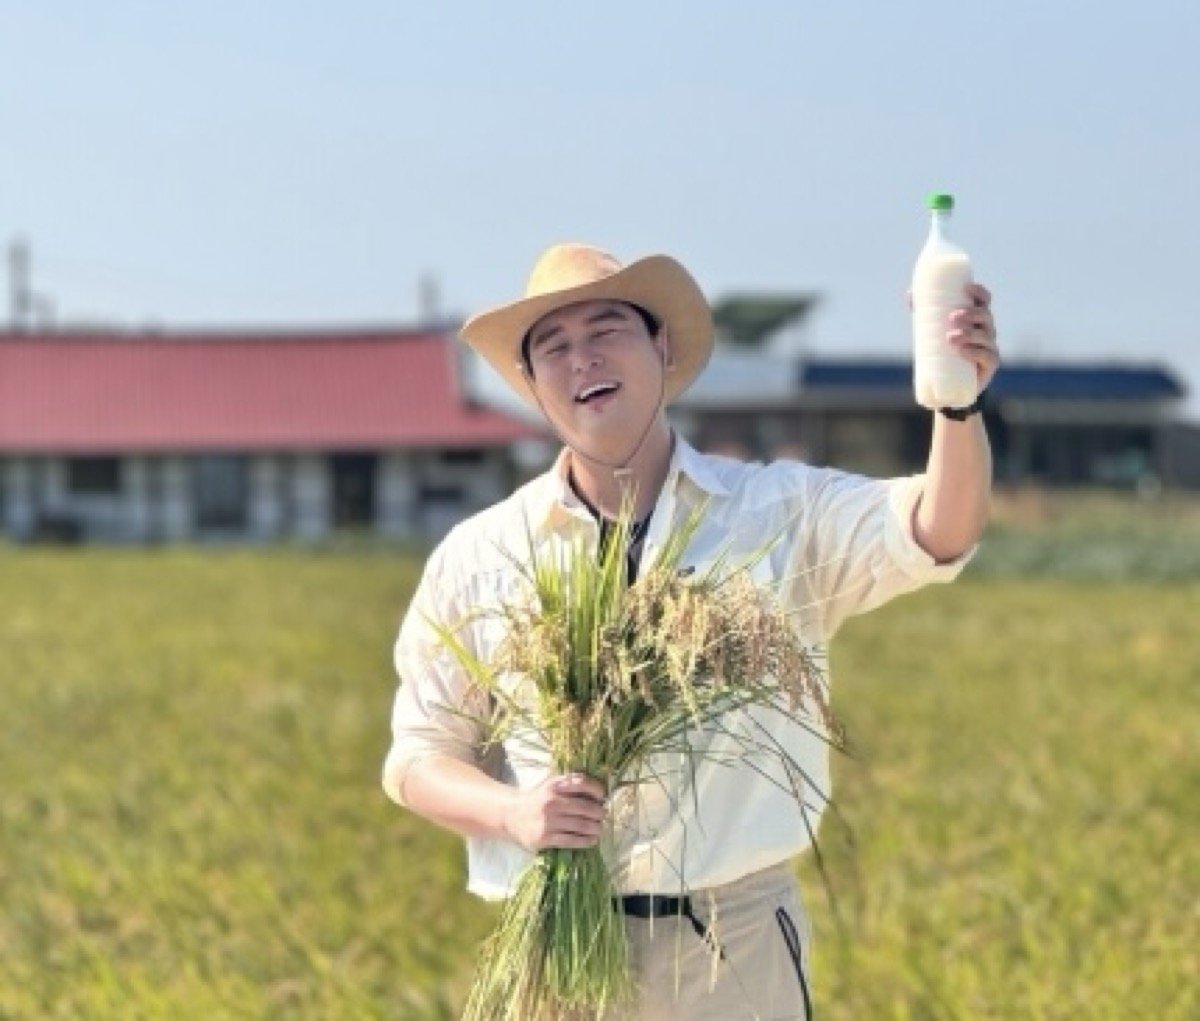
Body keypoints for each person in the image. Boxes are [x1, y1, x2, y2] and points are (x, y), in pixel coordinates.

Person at [382, 243, 999, 1020]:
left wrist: (958, 404)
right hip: (558, 948)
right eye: (554, 347)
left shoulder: (776, 512)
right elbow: (418, 756)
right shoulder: (483, 554)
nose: (584, 361)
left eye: (607, 330)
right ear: (536, 387)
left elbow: (938, 528)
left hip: (734, 944)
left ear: (662, 349)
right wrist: (515, 813)